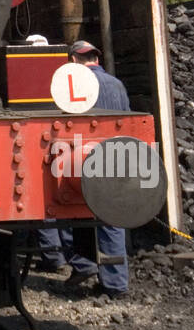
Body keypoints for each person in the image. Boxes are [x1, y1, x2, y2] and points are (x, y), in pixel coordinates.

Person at [36, 40, 130, 299]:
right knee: (112, 217)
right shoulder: (117, 84)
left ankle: (83, 264)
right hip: (115, 156)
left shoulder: (73, 84)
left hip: (82, 158)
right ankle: (116, 283)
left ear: (74, 60)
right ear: (95, 59)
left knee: (72, 213)